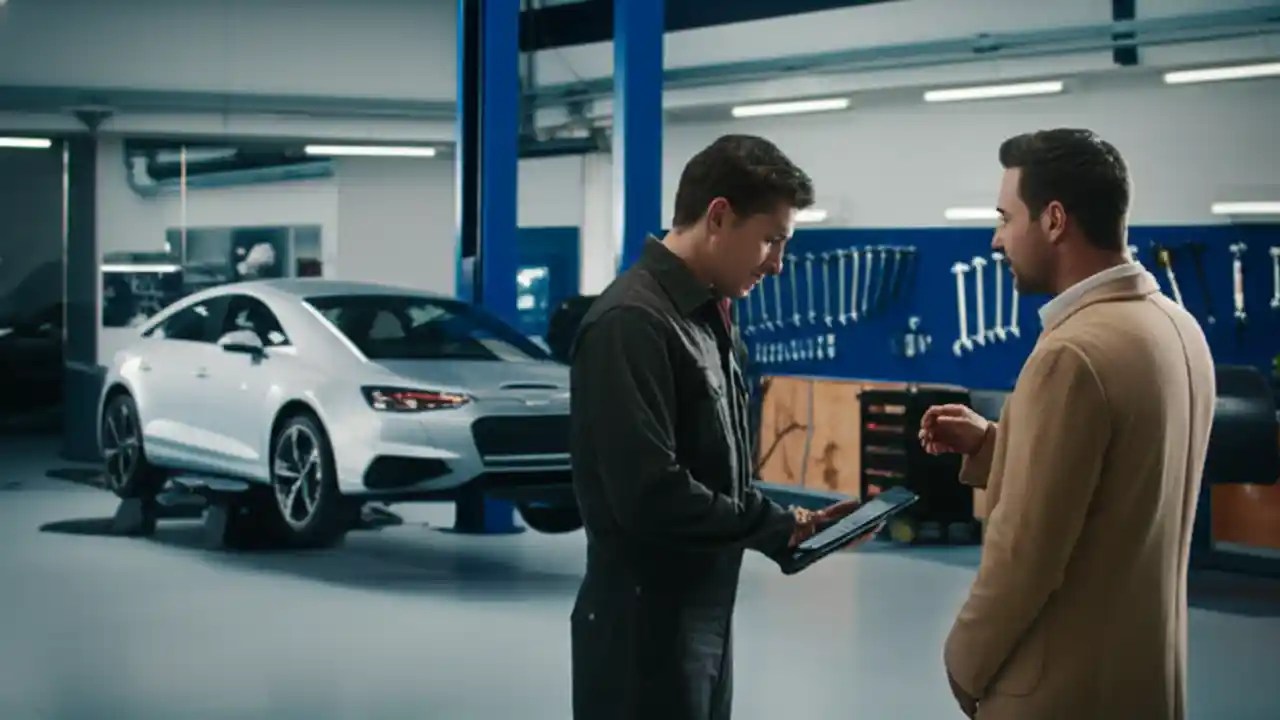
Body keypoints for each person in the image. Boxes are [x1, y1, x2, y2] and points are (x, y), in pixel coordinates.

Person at [568, 134, 872, 720]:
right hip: (641, 634)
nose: (778, 264)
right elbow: (648, 495)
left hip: (701, 618)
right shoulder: (632, 322)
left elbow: (715, 472)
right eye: (770, 240)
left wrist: (794, 528)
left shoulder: (707, 321)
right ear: (718, 216)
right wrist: (771, 525)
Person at [920, 129, 1215, 719]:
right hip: (1144, 682)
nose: (996, 239)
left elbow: (1025, 551)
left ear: (1054, 219)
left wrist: (964, 660)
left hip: (1063, 692)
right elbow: (1123, 478)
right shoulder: (1176, 329)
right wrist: (996, 446)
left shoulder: (1071, 354)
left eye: (1005, 217)